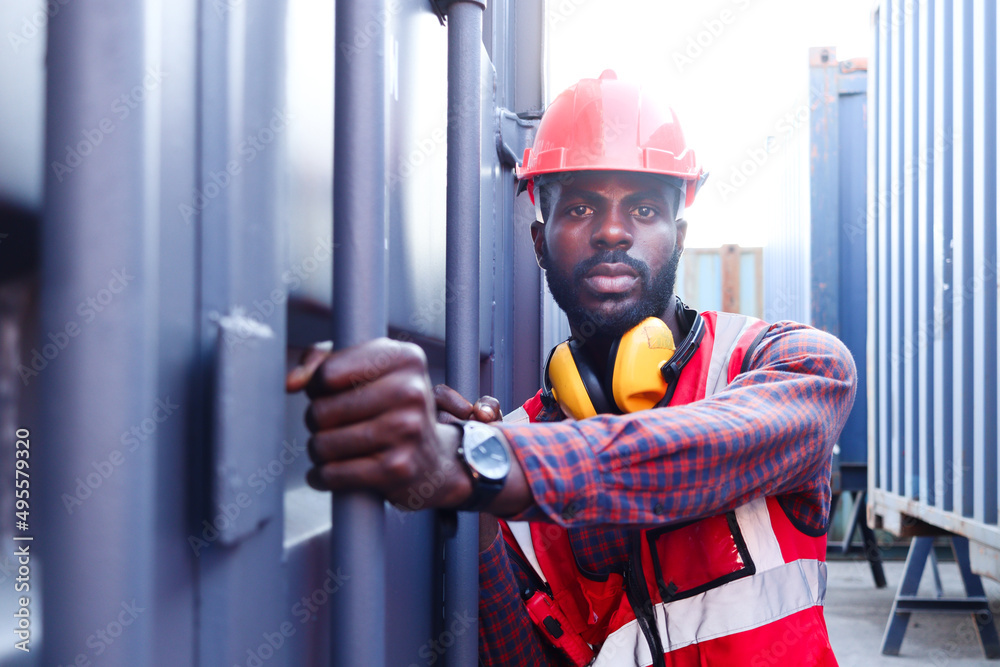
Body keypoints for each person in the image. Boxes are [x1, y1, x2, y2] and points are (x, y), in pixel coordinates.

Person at [286, 71, 856, 666]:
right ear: (539, 241)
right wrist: (478, 517)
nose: (612, 232)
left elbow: (711, 450)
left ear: (679, 235)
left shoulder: (796, 364)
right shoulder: (509, 445)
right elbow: (521, 660)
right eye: (581, 207)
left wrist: (476, 465)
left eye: (642, 208)